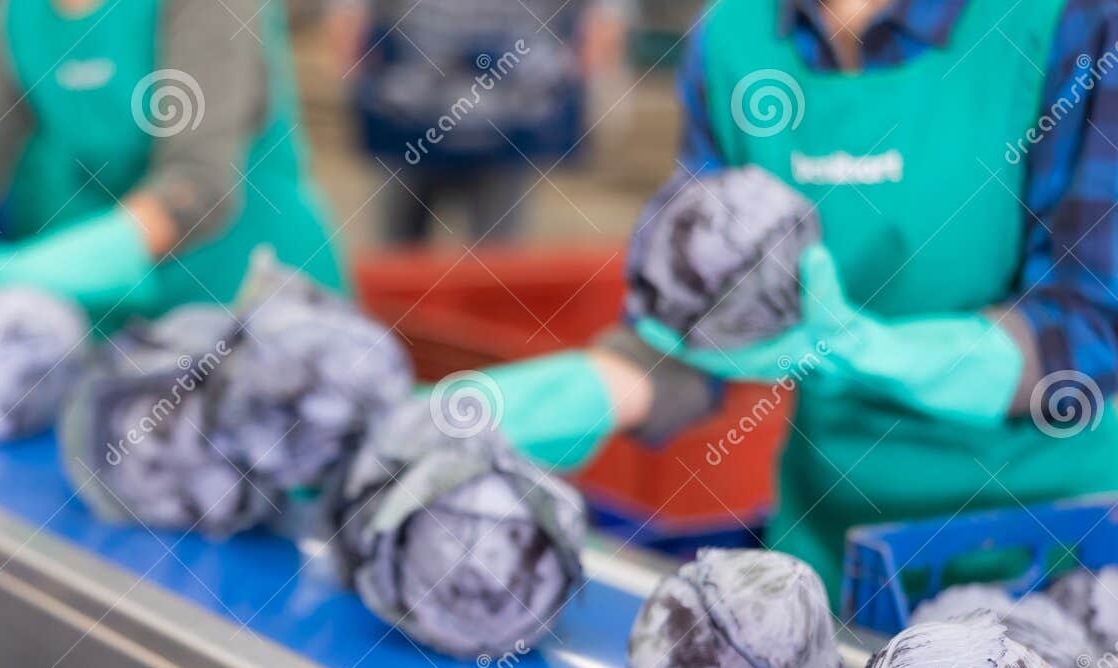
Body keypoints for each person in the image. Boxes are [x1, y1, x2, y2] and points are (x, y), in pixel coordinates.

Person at [476, 0, 1118, 592]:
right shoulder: (735, 37)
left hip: (1053, 551)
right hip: (829, 550)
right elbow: (700, 316)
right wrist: (529, 406)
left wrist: (868, 351)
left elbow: (1091, 325)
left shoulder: (1067, 22)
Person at [0, 0, 344, 333]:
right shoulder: (18, 10)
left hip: (246, 296)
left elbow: (197, 188)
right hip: (110, 305)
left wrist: (23, 271)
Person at [332, 0, 630, 244]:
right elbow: (347, 21)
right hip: (408, 111)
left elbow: (604, 20)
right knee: (396, 263)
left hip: (511, 118)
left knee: (496, 270)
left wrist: (596, 39)